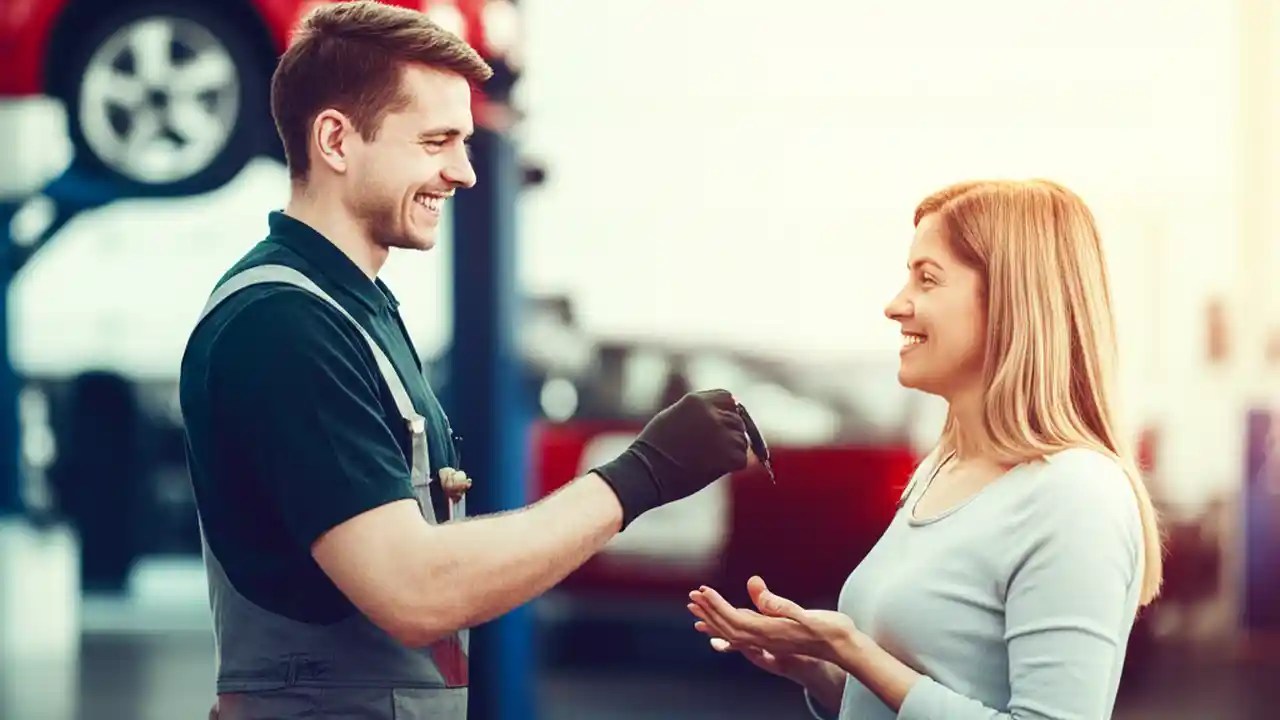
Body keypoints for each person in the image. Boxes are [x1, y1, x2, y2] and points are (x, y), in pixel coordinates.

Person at [177, 3, 754, 718]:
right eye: (436, 141)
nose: (465, 173)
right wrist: (641, 475)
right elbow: (414, 590)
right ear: (335, 139)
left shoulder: (353, 310)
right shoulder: (282, 326)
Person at [687, 179, 1165, 719]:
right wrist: (818, 670)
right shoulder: (945, 467)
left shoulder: (1076, 495)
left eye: (927, 279)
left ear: (1011, 301)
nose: (895, 305)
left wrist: (857, 652)